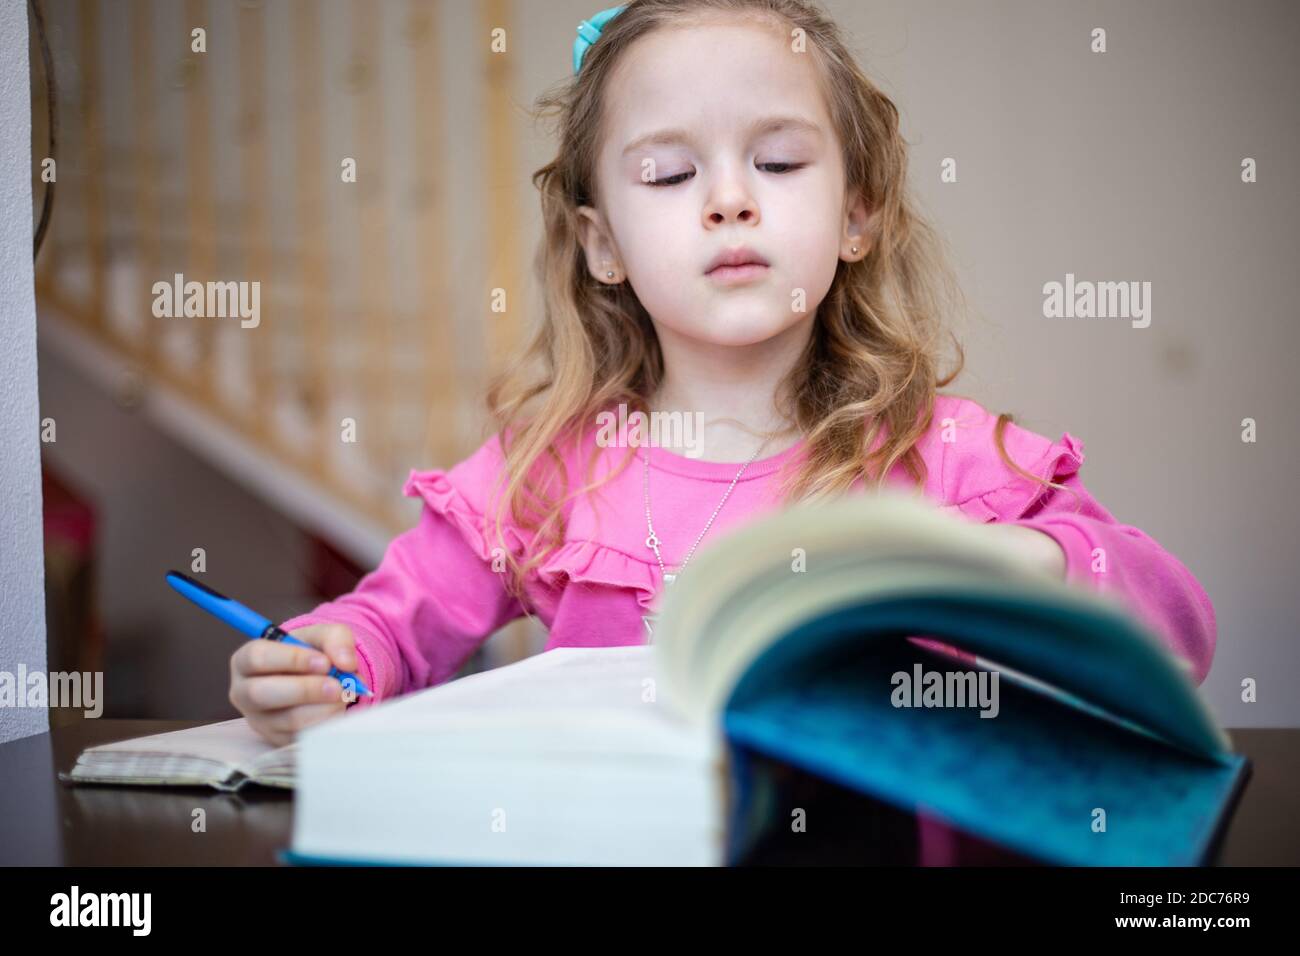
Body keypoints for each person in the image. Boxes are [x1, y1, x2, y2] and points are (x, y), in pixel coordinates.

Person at [228, 0, 1216, 863]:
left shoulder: (951, 458)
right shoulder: (545, 471)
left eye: (779, 160)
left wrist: (1021, 561)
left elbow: (1177, 627)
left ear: (855, 214)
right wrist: (320, 664)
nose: (729, 198)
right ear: (603, 243)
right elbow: (388, 626)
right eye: (667, 174)